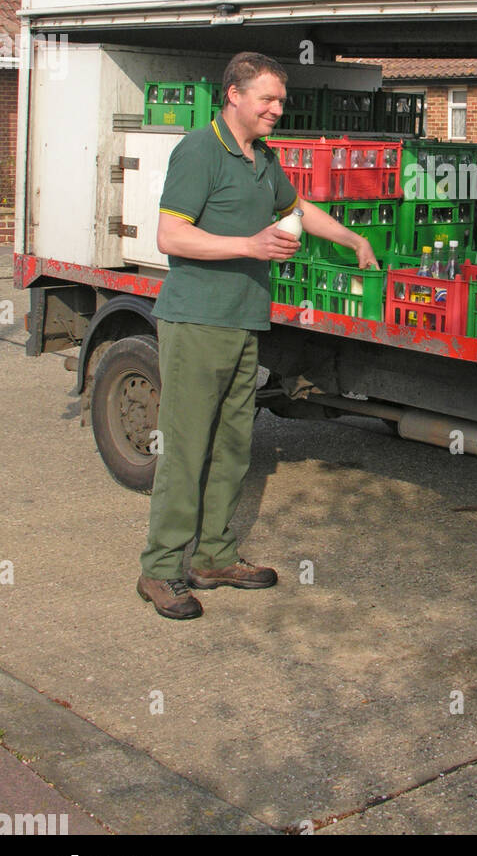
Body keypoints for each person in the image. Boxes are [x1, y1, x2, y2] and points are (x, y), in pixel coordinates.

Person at [137, 52, 378, 620]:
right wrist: (251, 245)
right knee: (186, 449)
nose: (277, 109)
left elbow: (297, 209)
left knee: (232, 446)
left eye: (280, 100)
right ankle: (161, 569)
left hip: (245, 321)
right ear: (234, 96)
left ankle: (215, 556)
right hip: (197, 321)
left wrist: (350, 239)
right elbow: (170, 235)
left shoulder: (261, 159)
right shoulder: (199, 150)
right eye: (267, 99)